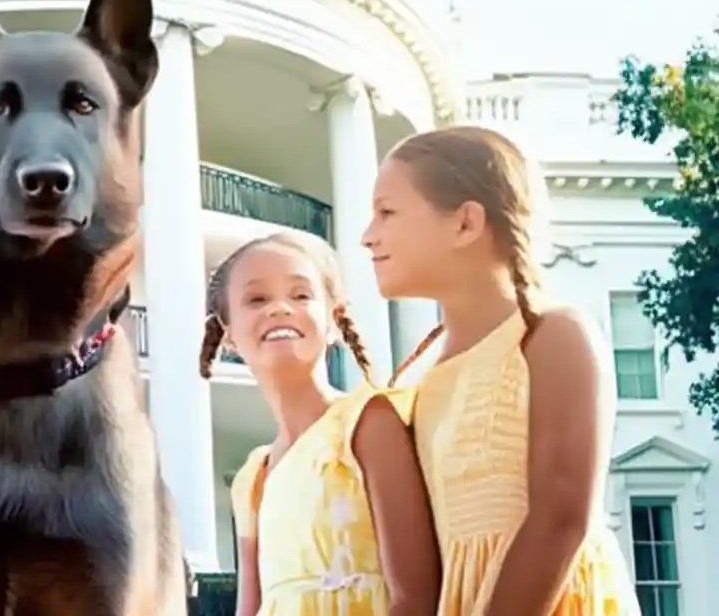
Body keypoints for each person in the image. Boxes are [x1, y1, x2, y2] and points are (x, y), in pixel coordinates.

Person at [364, 126, 638, 615]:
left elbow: (559, 518)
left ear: (465, 224)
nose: (368, 236)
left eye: (387, 212)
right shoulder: (422, 385)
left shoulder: (551, 336)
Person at [202, 230, 440, 616]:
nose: (279, 308)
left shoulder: (368, 422)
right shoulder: (252, 479)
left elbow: (416, 596)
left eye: (300, 295)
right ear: (227, 335)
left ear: (333, 322)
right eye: (256, 298)